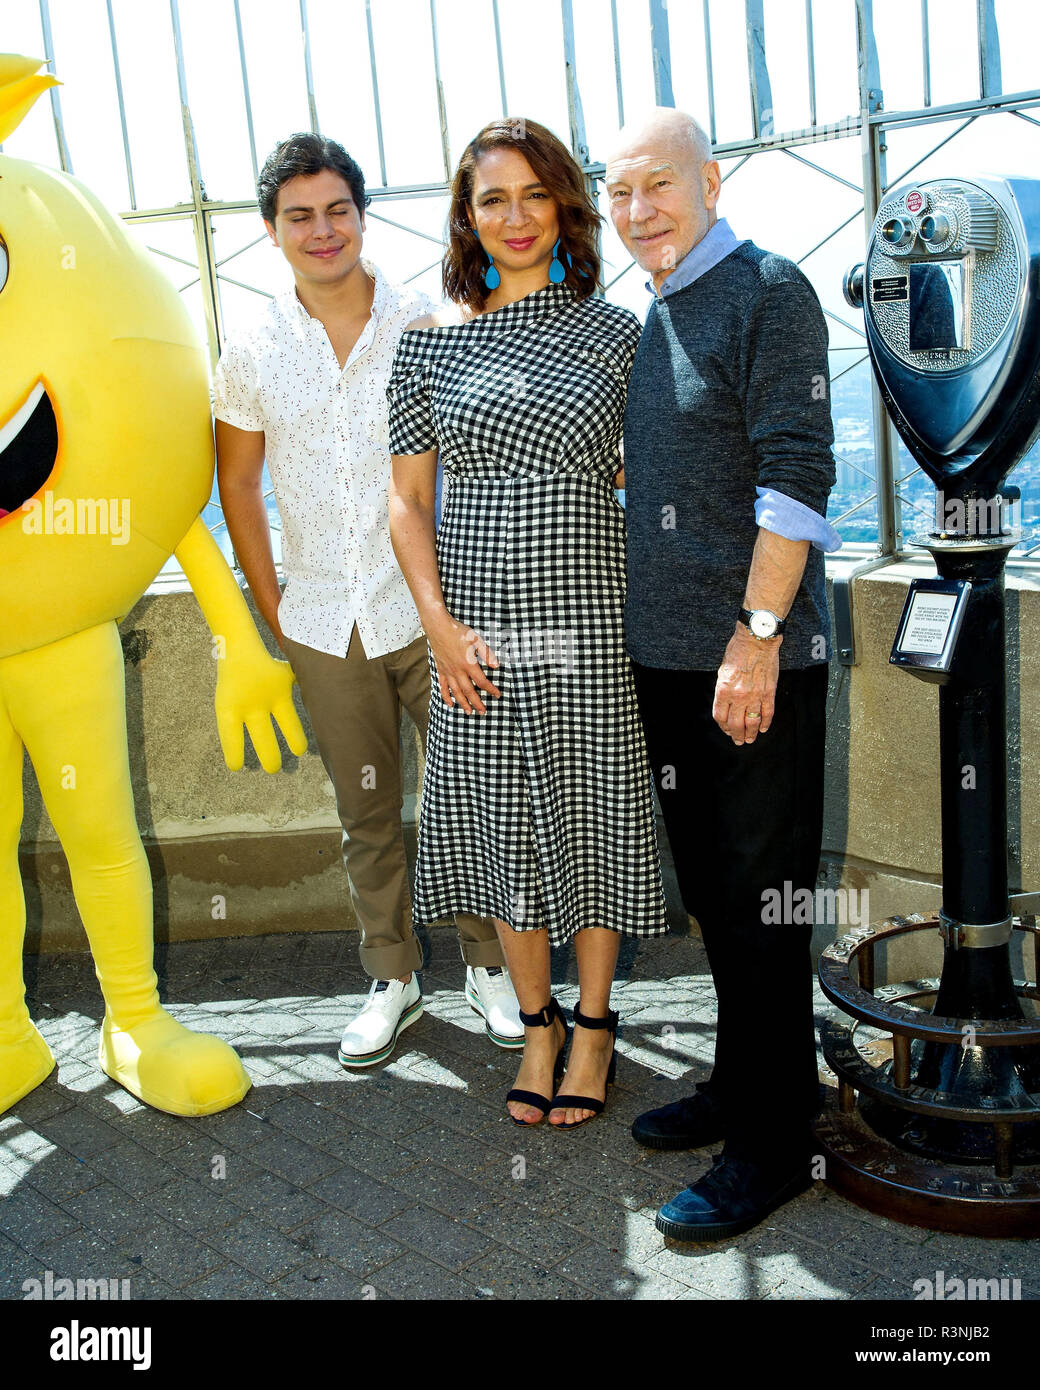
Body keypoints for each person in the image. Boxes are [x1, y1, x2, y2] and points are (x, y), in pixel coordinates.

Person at [212, 132, 522, 1068]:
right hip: (321, 623)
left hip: (434, 610)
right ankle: (392, 978)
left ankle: (490, 967)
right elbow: (239, 490)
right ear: (272, 231)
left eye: (337, 210)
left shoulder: (430, 323)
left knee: (476, 800)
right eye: (299, 216)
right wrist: (273, 610)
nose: (322, 230)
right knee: (368, 814)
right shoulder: (254, 348)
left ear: (362, 213)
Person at [387, 117, 669, 1128]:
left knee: (591, 817)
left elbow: (654, 472)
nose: (513, 218)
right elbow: (407, 503)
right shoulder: (426, 347)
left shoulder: (617, 334)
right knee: (503, 826)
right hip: (473, 632)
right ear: (466, 218)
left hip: (589, 618)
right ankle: (536, 1020)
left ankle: (593, 1026)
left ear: (562, 207)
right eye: (491, 199)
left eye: (532, 196)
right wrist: (437, 626)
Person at [605, 108, 840, 1238]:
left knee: (763, 905)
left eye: (656, 185)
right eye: (618, 193)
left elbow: (799, 471)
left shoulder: (767, 288)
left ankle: (776, 1143)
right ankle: (741, 1083)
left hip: (753, 662)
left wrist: (755, 632)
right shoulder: (652, 312)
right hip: (667, 661)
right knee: (714, 896)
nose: (637, 210)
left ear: (706, 178)